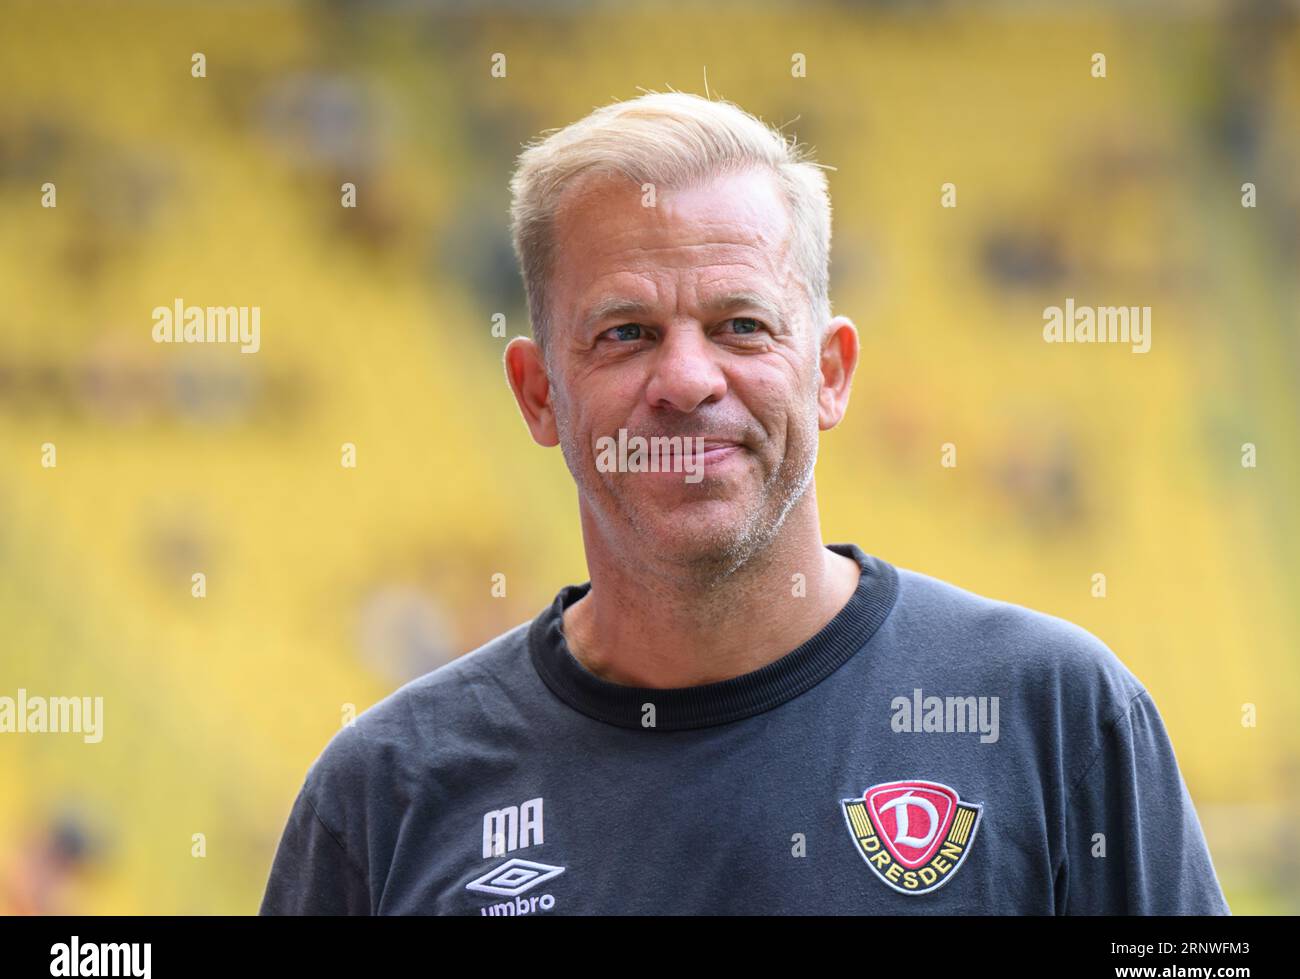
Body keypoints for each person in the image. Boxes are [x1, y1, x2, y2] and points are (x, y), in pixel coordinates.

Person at [259, 91, 1229, 915]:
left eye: (741, 325)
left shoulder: (1055, 717)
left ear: (830, 374)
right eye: (627, 331)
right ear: (538, 393)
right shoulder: (385, 797)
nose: (686, 378)